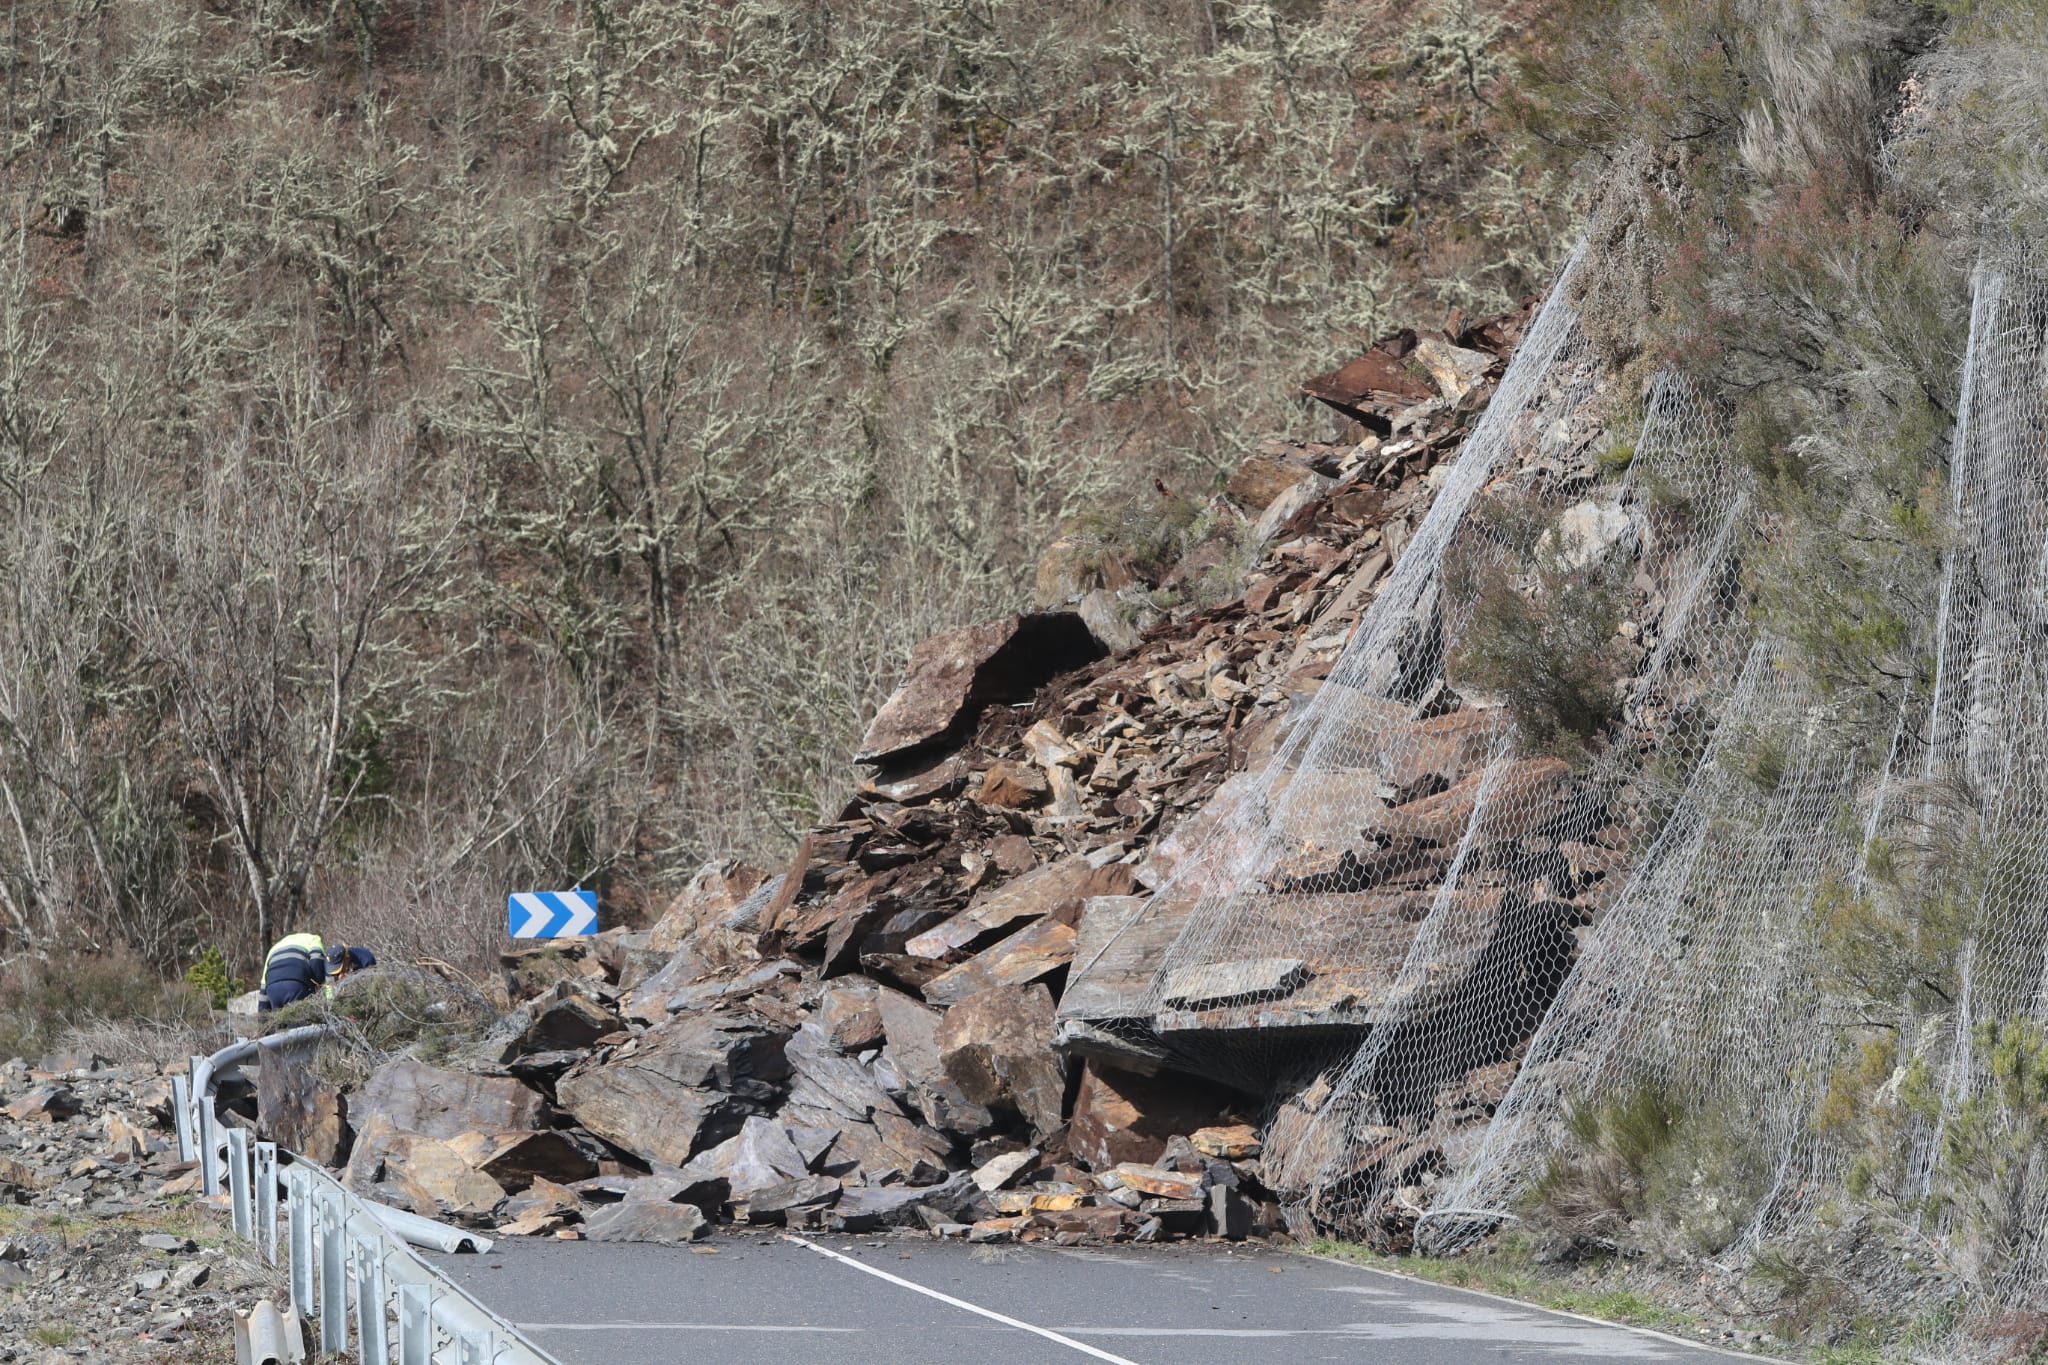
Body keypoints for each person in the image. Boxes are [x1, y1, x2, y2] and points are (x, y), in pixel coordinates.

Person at [258, 934, 377, 1012]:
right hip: (297, 985)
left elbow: (263, 988)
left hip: (272, 989)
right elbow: (317, 966)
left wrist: (262, 1024)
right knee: (298, 1026)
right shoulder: (314, 939)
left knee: (280, 1027)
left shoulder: (273, 950)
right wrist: (318, 988)